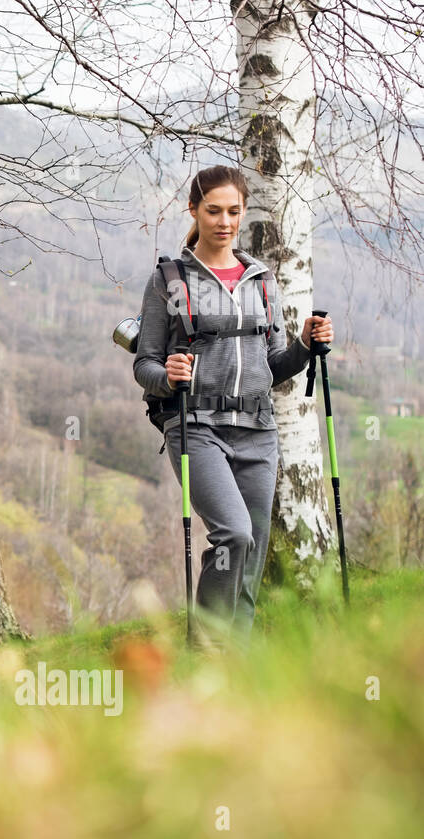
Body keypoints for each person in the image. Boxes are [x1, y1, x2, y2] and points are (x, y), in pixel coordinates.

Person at [133, 164, 334, 648]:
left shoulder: (261, 281)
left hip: (257, 429)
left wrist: (306, 345)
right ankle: (206, 648)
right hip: (195, 426)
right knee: (234, 535)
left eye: (234, 212)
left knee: (255, 548)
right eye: (214, 211)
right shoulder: (169, 279)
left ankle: (235, 658)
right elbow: (145, 365)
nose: (225, 221)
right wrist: (169, 376)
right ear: (194, 211)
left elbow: (273, 365)